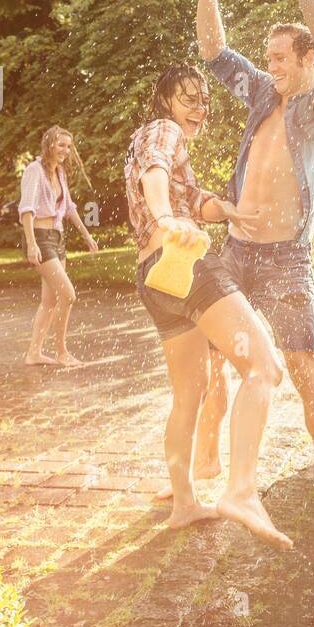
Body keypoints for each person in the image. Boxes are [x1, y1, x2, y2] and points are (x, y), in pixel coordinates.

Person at [176, 0, 314, 532]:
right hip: (236, 251)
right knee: (205, 350)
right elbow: (212, 52)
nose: (271, 65)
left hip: (286, 260)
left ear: (304, 60)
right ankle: (206, 466)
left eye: (281, 57)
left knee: (306, 373)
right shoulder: (261, 96)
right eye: (270, 57)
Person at [125, 61, 292, 549]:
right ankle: (241, 492)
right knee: (265, 366)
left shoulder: (149, 139)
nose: (199, 108)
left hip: (155, 278)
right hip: (185, 261)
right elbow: (157, 175)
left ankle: (183, 502)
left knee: (189, 394)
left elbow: (194, 199)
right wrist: (165, 217)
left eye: (203, 100)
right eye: (188, 98)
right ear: (165, 102)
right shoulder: (162, 132)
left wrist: (230, 210)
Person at [20, 126, 99, 367]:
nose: (65, 150)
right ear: (49, 145)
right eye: (61, 144)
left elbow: (70, 208)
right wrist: (32, 244)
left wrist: (87, 236)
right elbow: (26, 209)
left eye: (68, 145)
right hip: (40, 238)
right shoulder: (35, 170)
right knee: (68, 295)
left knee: (50, 301)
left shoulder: (60, 173)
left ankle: (33, 353)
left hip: (57, 237)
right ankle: (61, 351)